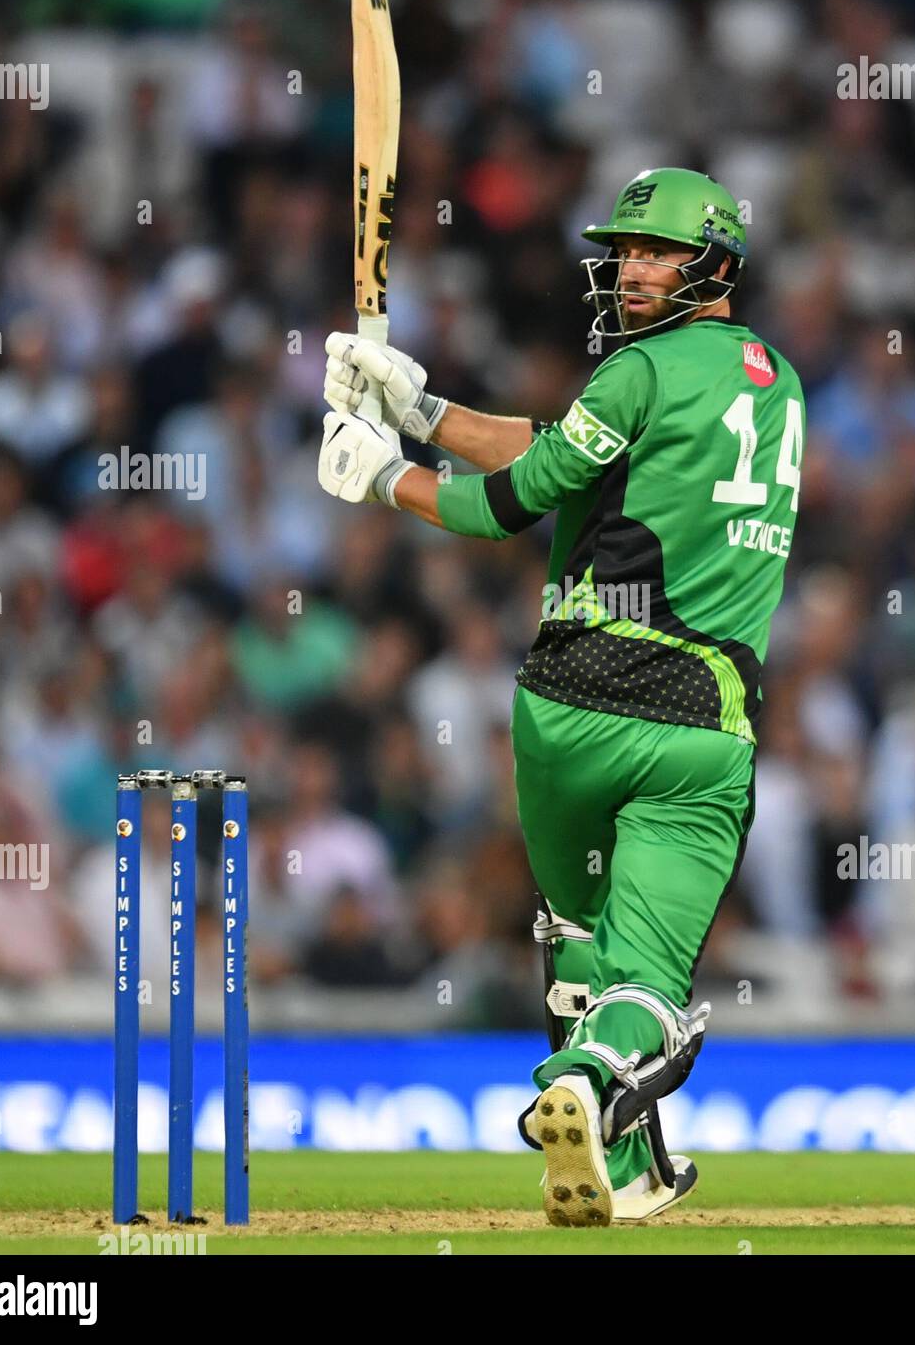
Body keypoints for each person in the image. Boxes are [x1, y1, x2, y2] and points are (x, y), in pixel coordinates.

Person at [317, 168, 804, 1226]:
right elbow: (568, 460)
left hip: (559, 707)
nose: (629, 269)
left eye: (655, 253)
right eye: (624, 252)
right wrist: (421, 406)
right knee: (648, 987)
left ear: (714, 264)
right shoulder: (778, 383)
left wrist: (382, 476)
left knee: (573, 926)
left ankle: (627, 1171)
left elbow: (516, 503)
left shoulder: (635, 374)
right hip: (691, 714)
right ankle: (585, 1084)